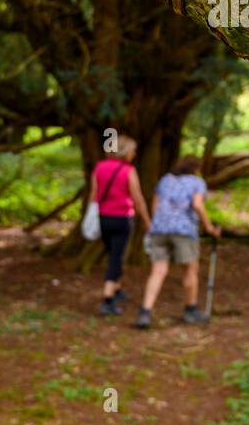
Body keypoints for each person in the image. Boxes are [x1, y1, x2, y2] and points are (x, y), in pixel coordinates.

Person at [135, 155, 221, 329]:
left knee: (158, 270)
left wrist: (156, 224)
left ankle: (145, 311)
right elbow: (197, 205)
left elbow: (156, 206)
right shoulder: (196, 183)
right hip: (184, 230)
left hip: (159, 229)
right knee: (190, 270)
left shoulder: (165, 180)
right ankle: (191, 309)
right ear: (196, 168)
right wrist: (209, 227)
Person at [87, 135, 150, 316]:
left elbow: (93, 194)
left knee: (113, 254)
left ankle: (117, 288)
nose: (134, 154)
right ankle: (107, 299)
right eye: (132, 150)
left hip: (103, 218)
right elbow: (138, 199)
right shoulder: (128, 170)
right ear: (125, 151)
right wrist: (147, 221)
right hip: (122, 219)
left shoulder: (99, 167)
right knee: (116, 257)